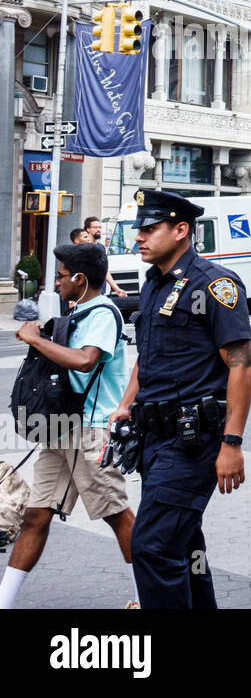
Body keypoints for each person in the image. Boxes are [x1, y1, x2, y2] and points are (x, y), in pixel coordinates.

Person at [106, 190, 251, 608]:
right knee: (187, 546)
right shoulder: (154, 283)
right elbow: (149, 355)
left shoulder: (215, 284)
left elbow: (242, 365)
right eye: (139, 229)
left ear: (181, 230)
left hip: (193, 441)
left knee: (152, 547)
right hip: (155, 439)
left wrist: (232, 443)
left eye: (150, 229)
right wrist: (125, 404)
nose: (139, 237)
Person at [1, 243, 136, 610]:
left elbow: (85, 361)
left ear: (80, 279)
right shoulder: (77, 310)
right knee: (35, 515)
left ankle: (148, 597)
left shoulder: (103, 314)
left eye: (61, 277)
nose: (57, 284)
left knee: (116, 514)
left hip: (92, 430)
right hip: (61, 429)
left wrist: (35, 339)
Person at [82, 216, 128, 298]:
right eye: (95, 227)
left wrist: (116, 289)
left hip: (100, 292)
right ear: (88, 229)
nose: (98, 230)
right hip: (85, 293)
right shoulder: (83, 247)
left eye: (99, 227)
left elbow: (105, 270)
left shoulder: (101, 248)